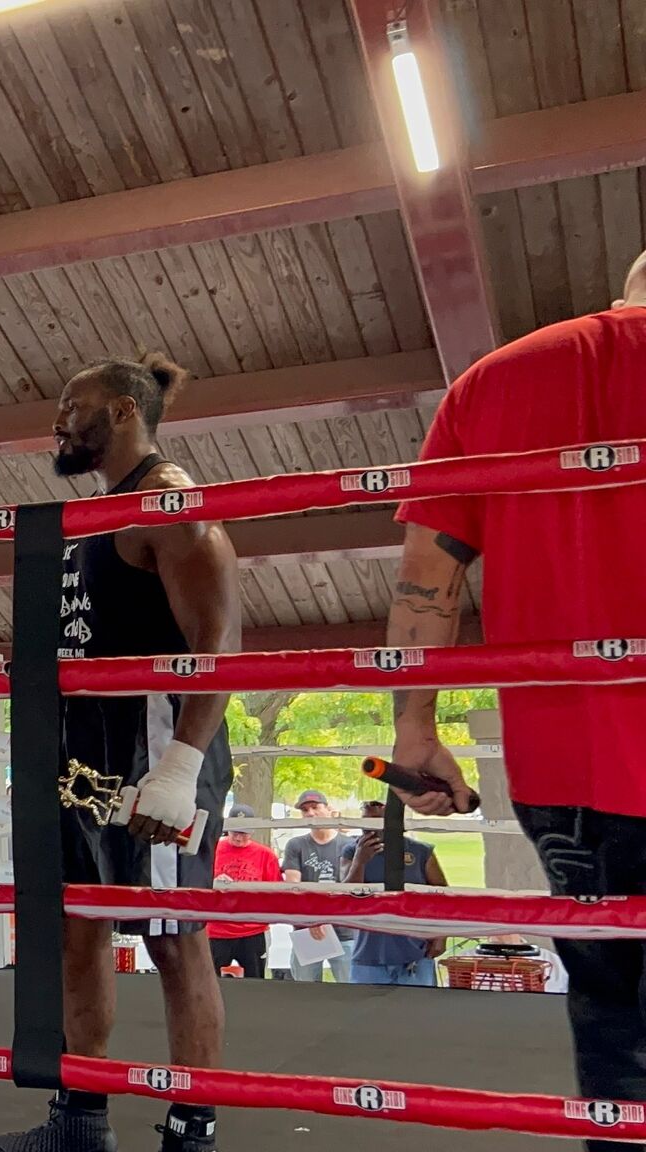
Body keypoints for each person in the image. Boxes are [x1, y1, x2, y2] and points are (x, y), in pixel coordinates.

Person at [382, 249, 646, 1151]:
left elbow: (429, 573)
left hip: (566, 772)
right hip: (568, 766)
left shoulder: (496, 382)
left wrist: (414, 728)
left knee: (612, 1018)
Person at [0, 353, 239, 1152]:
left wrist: (182, 766)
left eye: (73, 403)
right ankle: (79, 1124)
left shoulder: (168, 499)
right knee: (79, 930)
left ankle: (191, 1133)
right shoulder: (98, 512)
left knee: (173, 937)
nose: (58, 419)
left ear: (124, 411)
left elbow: (220, 642)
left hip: (156, 740)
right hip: (85, 751)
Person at [341, 800, 447, 987]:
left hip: (415, 951)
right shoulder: (352, 851)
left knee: (420, 1004)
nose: (371, 829)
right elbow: (347, 896)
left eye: (377, 821)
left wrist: (441, 936)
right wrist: (360, 861)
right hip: (369, 952)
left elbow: (442, 895)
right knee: (367, 1005)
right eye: (366, 822)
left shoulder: (421, 852)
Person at [279, 790, 356, 983]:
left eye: (315, 807)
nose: (310, 813)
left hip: (344, 929)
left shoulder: (349, 845)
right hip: (307, 928)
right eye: (305, 810)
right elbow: (293, 887)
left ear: (328, 809)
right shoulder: (296, 845)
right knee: (306, 990)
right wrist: (312, 919)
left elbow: (354, 888)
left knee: (351, 988)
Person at [208, 808, 281, 978]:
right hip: (217, 928)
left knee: (255, 980)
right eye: (235, 832)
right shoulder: (212, 849)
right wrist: (214, 882)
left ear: (252, 831)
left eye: (244, 833)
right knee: (209, 979)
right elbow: (196, 881)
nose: (238, 837)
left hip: (252, 929)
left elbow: (276, 891)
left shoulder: (265, 855)